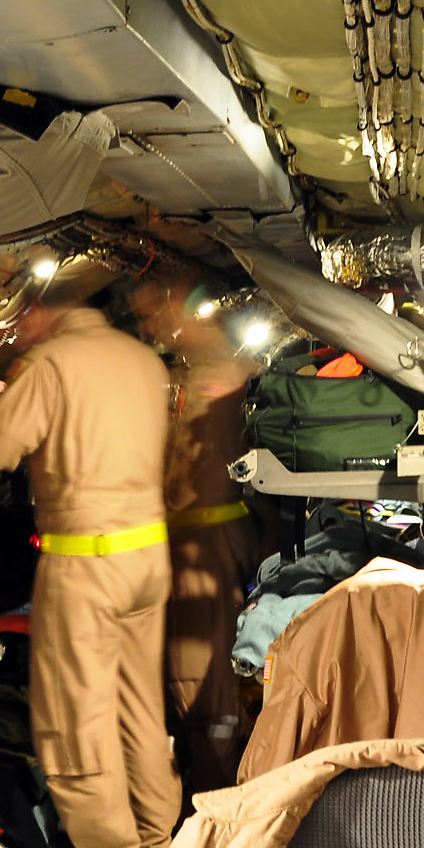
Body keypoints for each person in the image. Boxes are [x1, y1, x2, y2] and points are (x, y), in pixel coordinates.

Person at [0, 265, 180, 848]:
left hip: (87, 559)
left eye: (21, 319)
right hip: (146, 551)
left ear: (41, 314)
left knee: (75, 714)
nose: (17, 331)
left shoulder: (50, 365)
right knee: (140, 706)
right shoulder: (144, 361)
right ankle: (158, 842)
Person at [130, 269, 262, 793]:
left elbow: (191, 477)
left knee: (198, 689)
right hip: (199, 543)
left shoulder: (216, 369)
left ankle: (215, 802)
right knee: (198, 686)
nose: (152, 324)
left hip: (201, 546)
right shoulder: (202, 367)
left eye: (157, 311)